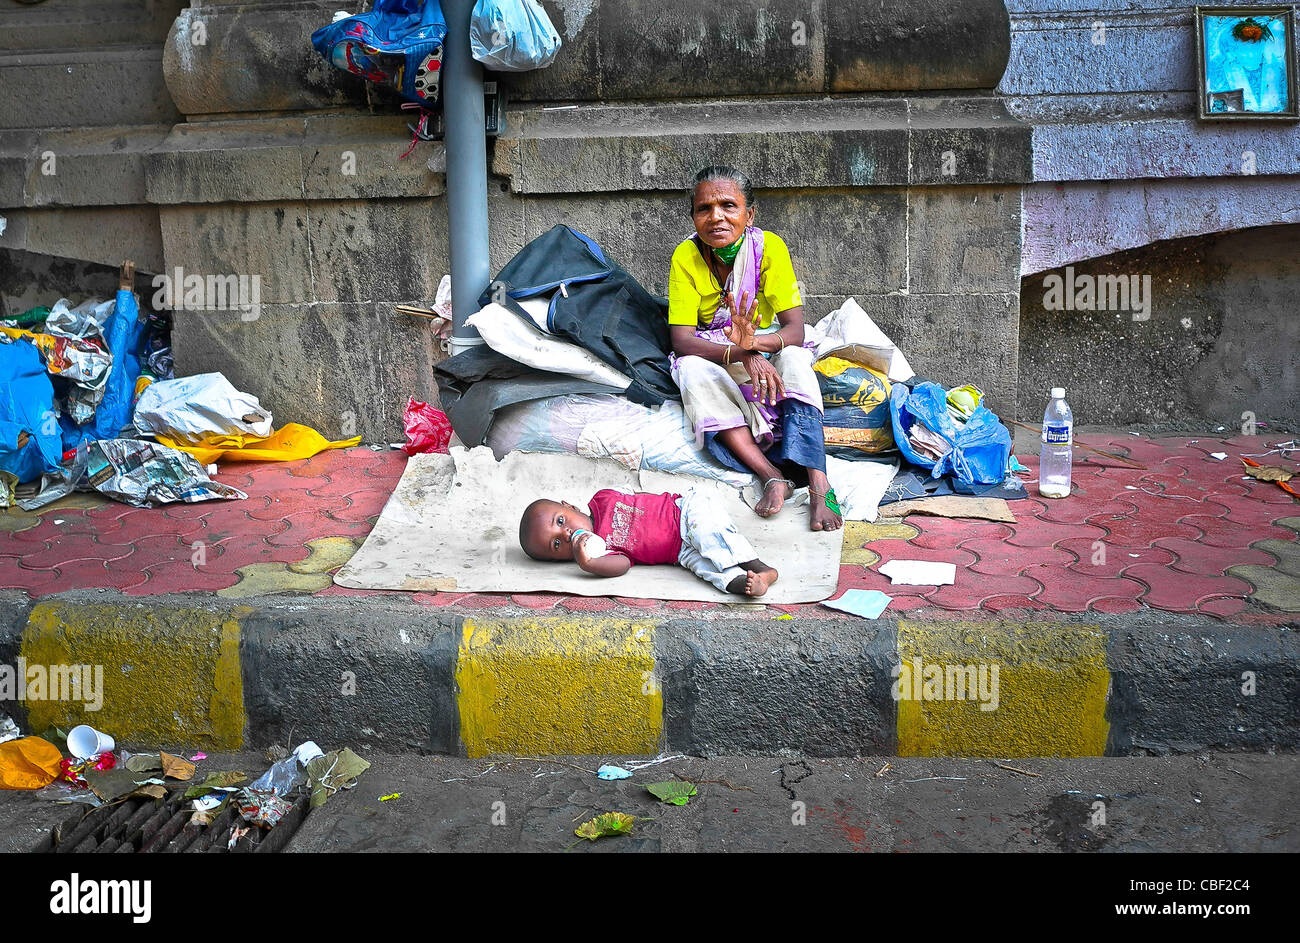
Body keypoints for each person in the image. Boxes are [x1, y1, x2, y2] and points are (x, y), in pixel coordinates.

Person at [668, 165, 842, 531]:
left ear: (750, 214)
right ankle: (771, 475)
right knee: (689, 369)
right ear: (694, 216)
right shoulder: (685, 256)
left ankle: (818, 484)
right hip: (716, 351)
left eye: (729, 206)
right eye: (704, 208)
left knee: (794, 359)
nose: (716, 217)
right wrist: (743, 354)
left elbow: (794, 328)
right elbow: (682, 340)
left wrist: (757, 345)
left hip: (767, 342)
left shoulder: (769, 248)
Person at [518, 489, 779, 597]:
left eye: (561, 521)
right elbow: (622, 565)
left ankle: (764, 569)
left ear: (570, 506)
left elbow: (638, 497)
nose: (565, 535)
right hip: (678, 552)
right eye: (556, 545)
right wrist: (590, 563)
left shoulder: (602, 500)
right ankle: (747, 585)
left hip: (684, 513)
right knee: (707, 569)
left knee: (711, 539)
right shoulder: (601, 551)